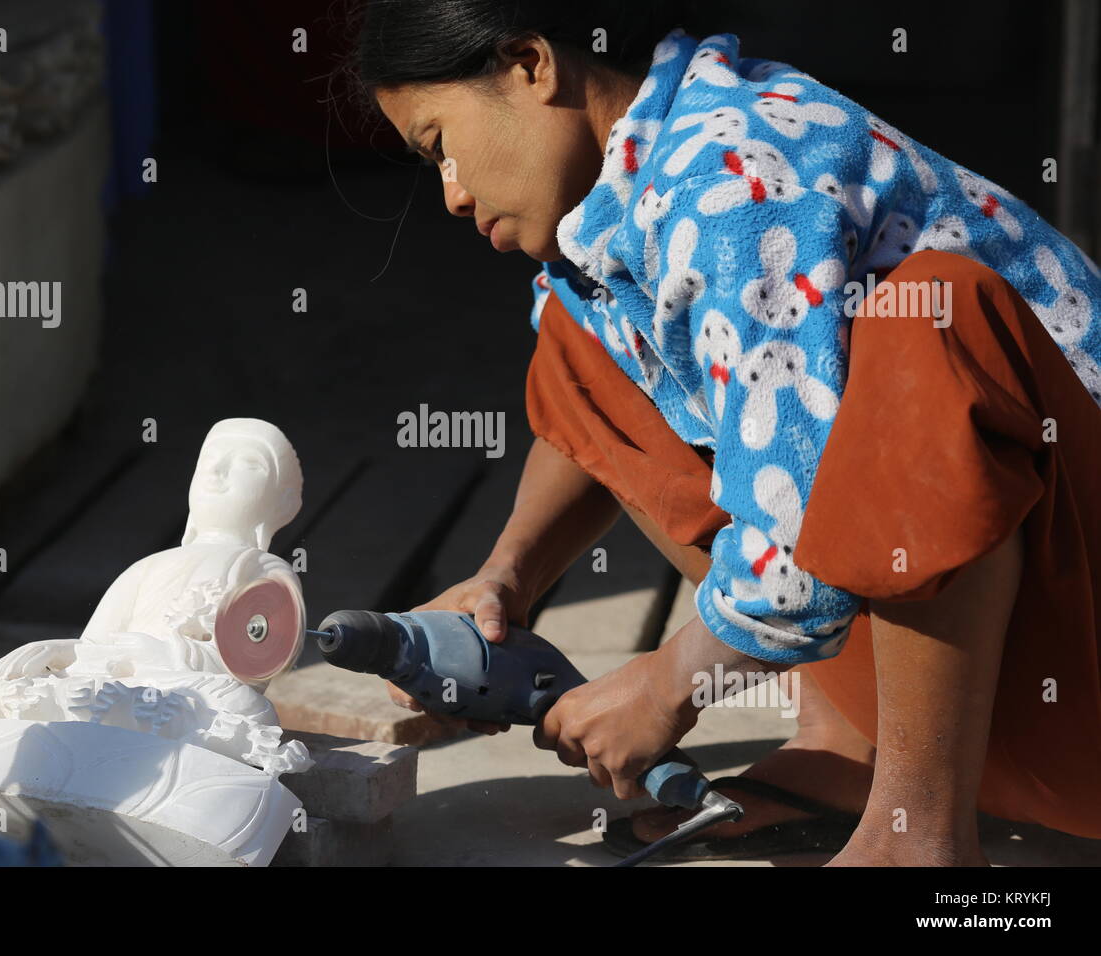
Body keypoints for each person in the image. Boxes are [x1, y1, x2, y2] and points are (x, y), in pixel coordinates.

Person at [339, 0, 1101, 865]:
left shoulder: (730, 180)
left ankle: (917, 836)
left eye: (441, 144)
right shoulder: (622, 211)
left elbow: (793, 499)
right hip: (1000, 704)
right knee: (583, 343)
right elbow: (605, 414)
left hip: (1079, 670)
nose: (451, 193)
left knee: (930, 323)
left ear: (529, 65)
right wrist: (502, 587)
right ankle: (846, 741)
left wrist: (670, 684)